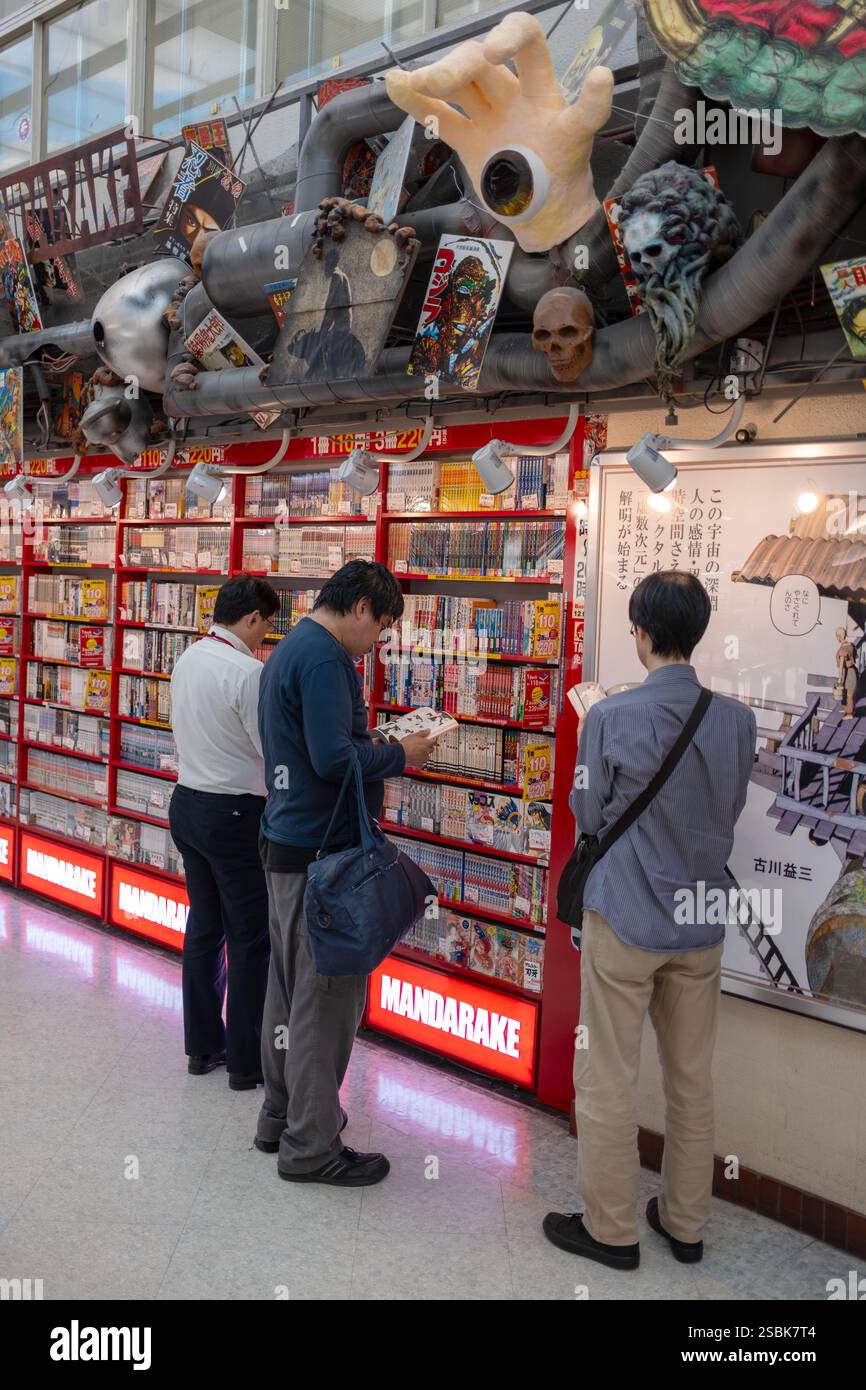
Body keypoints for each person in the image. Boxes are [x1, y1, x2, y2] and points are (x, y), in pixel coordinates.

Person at [544, 571, 756, 1270]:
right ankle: (686, 1223)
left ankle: (610, 1229)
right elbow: (726, 813)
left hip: (626, 914)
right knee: (692, 1080)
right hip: (699, 923)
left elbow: (591, 815)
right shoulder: (737, 720)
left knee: (607, 1075)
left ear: (641, 632)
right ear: (694, 633)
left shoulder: (610, 716)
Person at [255, 560, 435, 1187]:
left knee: (286, 990)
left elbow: (315, 749)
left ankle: (280, 1116)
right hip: (323, 857)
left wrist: (370, 742)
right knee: (326, 1002)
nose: (377, 642)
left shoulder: (289, 649)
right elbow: (334, 759)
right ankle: (311, 1145)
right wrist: (398, 754)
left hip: (287, 845)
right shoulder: (328, 659)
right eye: (381, 627)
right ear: (360, 607)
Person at [168, 575, 279, 1089]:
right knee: (250, 937)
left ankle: (201, 1049)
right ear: (252, 618)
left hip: (186, 803)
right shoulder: (247, 672)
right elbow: (267, 748)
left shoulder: (187, 658)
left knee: (204, 927)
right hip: (233, 814)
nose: (266, 638)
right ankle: (244, 1064)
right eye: (267, 626)